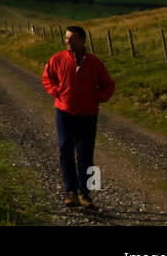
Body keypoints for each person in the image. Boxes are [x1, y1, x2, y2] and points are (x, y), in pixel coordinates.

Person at [40, 25, 114, 209]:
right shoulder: (58, 59)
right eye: (66, 38)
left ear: (82, 40)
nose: (68, 41)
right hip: (65, 112)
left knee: (85, 154)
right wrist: (57, 92)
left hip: (88, 115)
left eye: (72, 38)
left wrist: (97, 98)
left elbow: (108, 85)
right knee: (65, 148)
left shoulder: (95, 63)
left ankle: (85, 194)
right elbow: (47, 78)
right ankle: (70, 192)